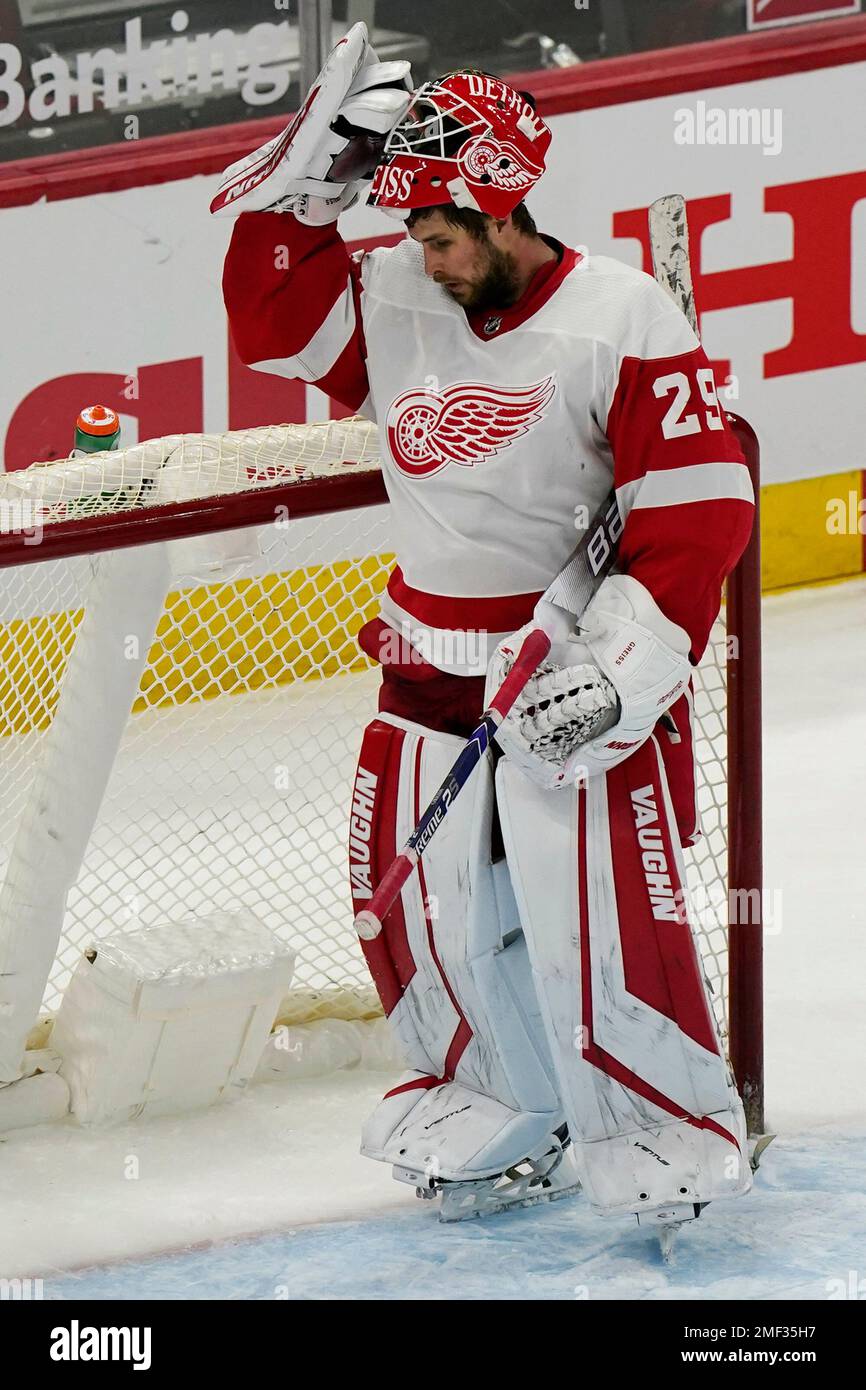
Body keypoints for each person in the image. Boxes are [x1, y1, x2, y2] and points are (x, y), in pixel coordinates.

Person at [213, 23, 755, 1231]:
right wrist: (307, 192)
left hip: (564, 669)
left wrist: (617, 669)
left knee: (607, 917)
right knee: (416, 909)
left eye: (443, 232)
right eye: (408, 231)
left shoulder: (622, 317)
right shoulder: (397, 294)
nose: (426, 256)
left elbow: (700, 508)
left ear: (503, 209)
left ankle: (661, 1126)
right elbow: (270, 320)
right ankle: (492, 1098)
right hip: (425, 670)